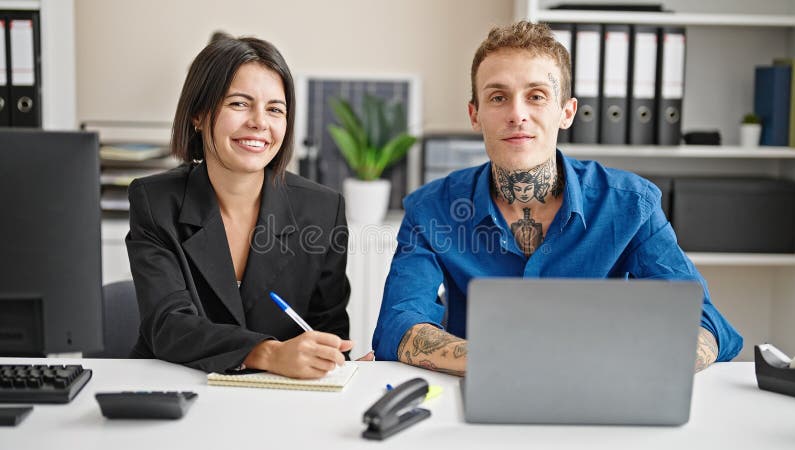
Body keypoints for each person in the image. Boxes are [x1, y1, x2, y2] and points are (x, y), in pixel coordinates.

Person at [372, 21, 742, 375]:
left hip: (603, 392)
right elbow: (398, 324)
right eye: (498, 97)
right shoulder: (431, 208)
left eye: (536, 96)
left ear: (566, 112)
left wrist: (631, 365)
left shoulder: (632, 204)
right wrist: (504, 361)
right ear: (475, 114)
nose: (517, 114)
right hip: (481, 389)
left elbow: (705, 322)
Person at [126, 36, 355, 378]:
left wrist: (337, 363)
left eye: (275, 109)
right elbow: (168, 324)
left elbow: (326, 328)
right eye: (239, 104)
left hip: (279, 398)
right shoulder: (155, 201)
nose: (260, 122)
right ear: (199, 115)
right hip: (175, 386)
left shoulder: (323, 209)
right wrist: (267, 352)